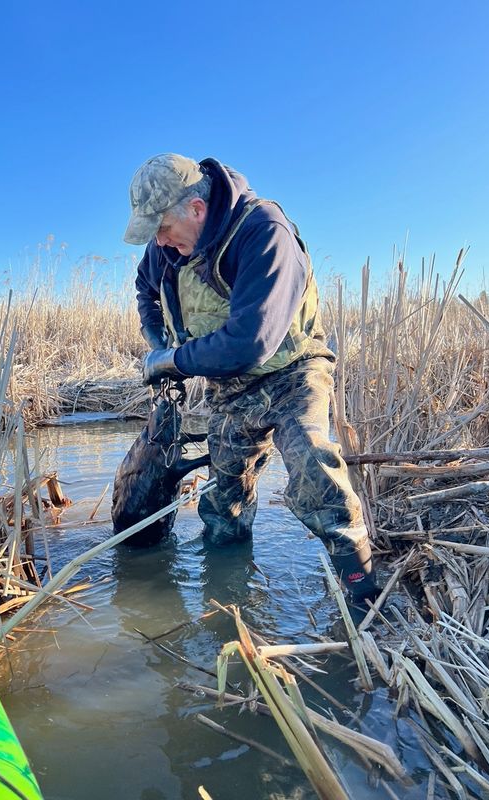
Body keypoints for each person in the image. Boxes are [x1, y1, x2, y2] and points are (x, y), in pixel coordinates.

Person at [123, 153, 380, 614]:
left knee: (311, 462)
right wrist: (157, 342)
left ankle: (363, 592)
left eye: (161, 228)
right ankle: (226, 605)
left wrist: (174, 361)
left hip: (293, 372)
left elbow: (250, 342)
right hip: (230, 387)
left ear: (196, 210)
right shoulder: (163, 248)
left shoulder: (264, 232)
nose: (159, 241)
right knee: (223, 502)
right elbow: (145, 290)